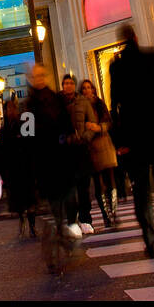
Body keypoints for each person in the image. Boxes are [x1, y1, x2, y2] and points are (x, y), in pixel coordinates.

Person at [109, 25, 154, 259]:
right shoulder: (153, 57)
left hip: (133, 136)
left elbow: (115, 107)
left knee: (142, 190)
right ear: (136, 37)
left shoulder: (117, 66)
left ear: (123, 40)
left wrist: (120, 141)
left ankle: (151, 240)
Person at [23, 63, 79, 271]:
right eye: (35, 76)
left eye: (42, 75)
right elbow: (27, 138)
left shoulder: (56, 99)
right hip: (46, 163)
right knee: (56, 209)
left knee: (70, 202)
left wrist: (69, 139)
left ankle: (63, 237)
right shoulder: (29, 105)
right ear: (31, 78)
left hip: (62, 159)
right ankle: (54, 251)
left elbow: (67, 124)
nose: (39, 78)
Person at [60, 74, 97, 234]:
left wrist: (85, 137)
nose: (68, 86)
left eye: (70, 83)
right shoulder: (58, 103)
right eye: (65, 83)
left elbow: (92, 122)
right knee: (69, 188)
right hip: (66, 152)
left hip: (82, 149)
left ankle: (85, 218)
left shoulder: (83, 101)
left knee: (83, 187)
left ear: (74, 85)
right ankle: (72, 218)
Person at [79, 80, 118, 228]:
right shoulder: (80, 107)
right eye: (84, 88)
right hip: (91, 148)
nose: (87, 91)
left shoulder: (100, 103)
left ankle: (113, 211)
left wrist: (98, 127)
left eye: (89, 88)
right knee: (98, 184)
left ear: (93, 90)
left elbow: (108, 121)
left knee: (110, 181)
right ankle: (105, 215)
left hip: (103, 144)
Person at [0, 94, 36, 237]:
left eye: (13, 108)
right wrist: (1, 173)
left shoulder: (24, 125)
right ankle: (22, 219)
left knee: (30, 200)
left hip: (26, 169)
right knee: (19, 202)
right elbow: (0, 153)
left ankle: (31, 224)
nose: (11, 112)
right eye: (8, 109)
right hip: (12, 172)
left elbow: (31, 145)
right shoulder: (3, 131)